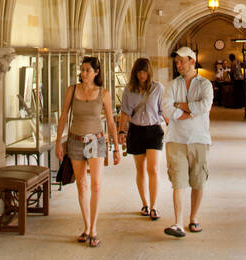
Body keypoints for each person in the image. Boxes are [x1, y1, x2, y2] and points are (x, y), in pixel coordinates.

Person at [55, 56, 121, 247]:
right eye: (82, 70)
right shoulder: (72, 90)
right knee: (81, 184)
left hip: (96, 141)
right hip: (75, 141)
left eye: (87, 70)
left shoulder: (104, 93)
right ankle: (86, 227)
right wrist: (59, 142)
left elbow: (110, 122)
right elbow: (63, 116)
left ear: (96, 72)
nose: (84, 74)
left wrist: (116, 148)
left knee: (96, 185)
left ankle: (93, 228)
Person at [161, 47, 213, 237]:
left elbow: (205, 105)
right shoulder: (172, 85)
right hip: (176, 139)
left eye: (182, 61)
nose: (179, 65)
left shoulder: (205, 84)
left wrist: (181, 106)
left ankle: (194, 218)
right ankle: (178, 223)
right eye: (177, 62)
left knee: (198, 181)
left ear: (192, 61)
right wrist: (185, 112)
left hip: (199, 138)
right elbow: (166, 108)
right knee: (178, 181)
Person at [117, 57, 167, 220]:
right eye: (139, 72)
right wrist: (121, 132)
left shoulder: (158, 88)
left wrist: (171, 126)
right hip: (136, 130)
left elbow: (163, 110)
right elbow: (125, 112)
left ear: (149, 72)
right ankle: (144, 203)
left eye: (144, 71)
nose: (141, 75)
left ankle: (154, 206)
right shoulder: (128, 90)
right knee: (140, 169)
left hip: (153, 130)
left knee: (153, 168)